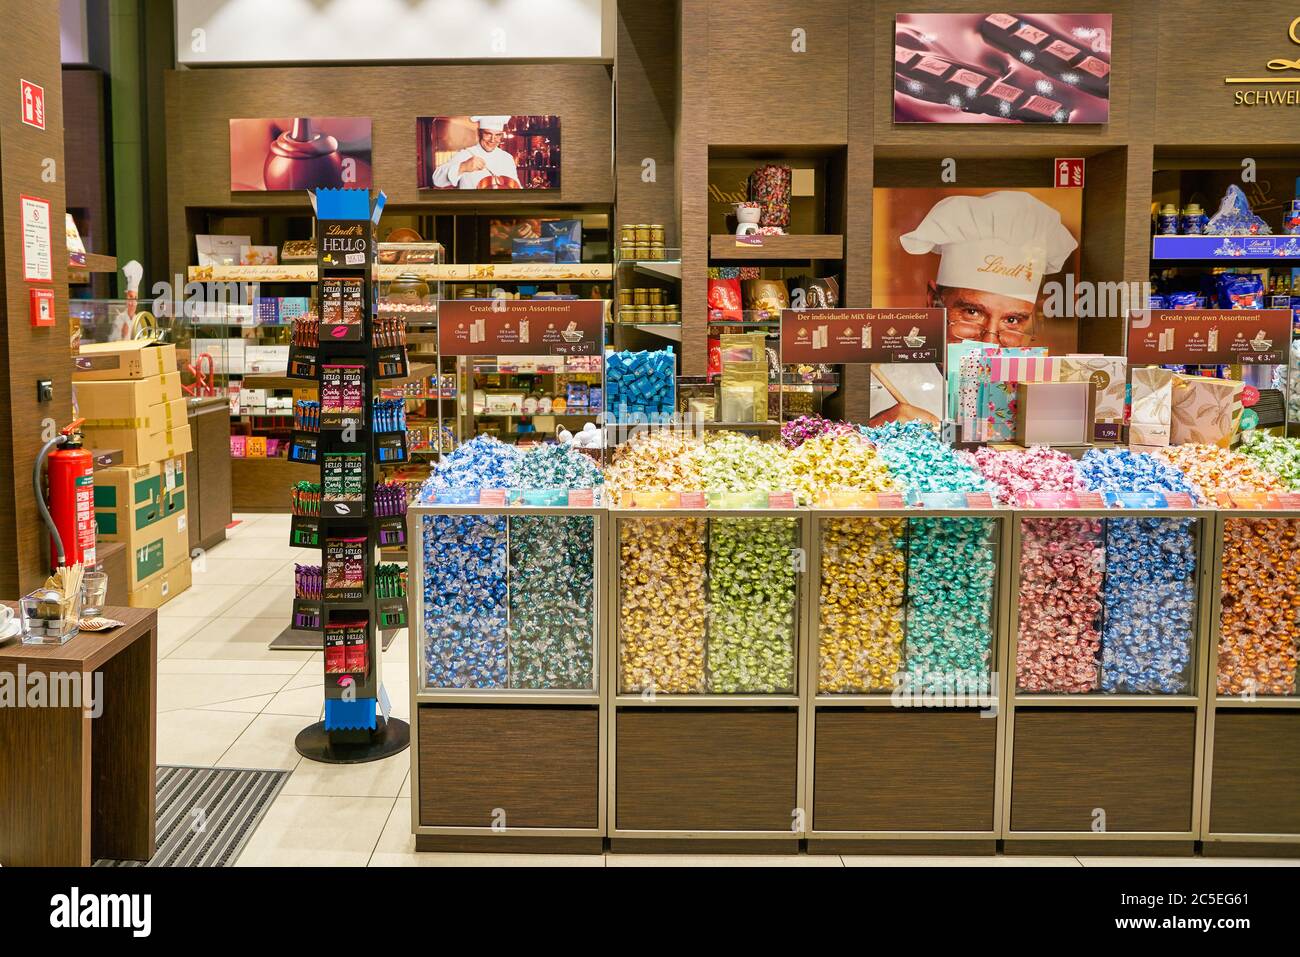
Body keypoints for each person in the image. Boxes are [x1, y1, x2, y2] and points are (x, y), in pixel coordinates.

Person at [900, 189, 1078, 345]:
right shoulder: (894, 380)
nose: (990, 342)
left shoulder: (1029, 383)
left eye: (1012, 320)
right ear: (933, 302)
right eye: (972, 312)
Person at [430, 116, 520, 189]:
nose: (493, 140)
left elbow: (516, 186)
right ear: (479, 133)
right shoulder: (466, 154)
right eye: (488, 134)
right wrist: (463, 167)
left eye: (497, 135)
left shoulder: (507, 158)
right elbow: (437, 180)